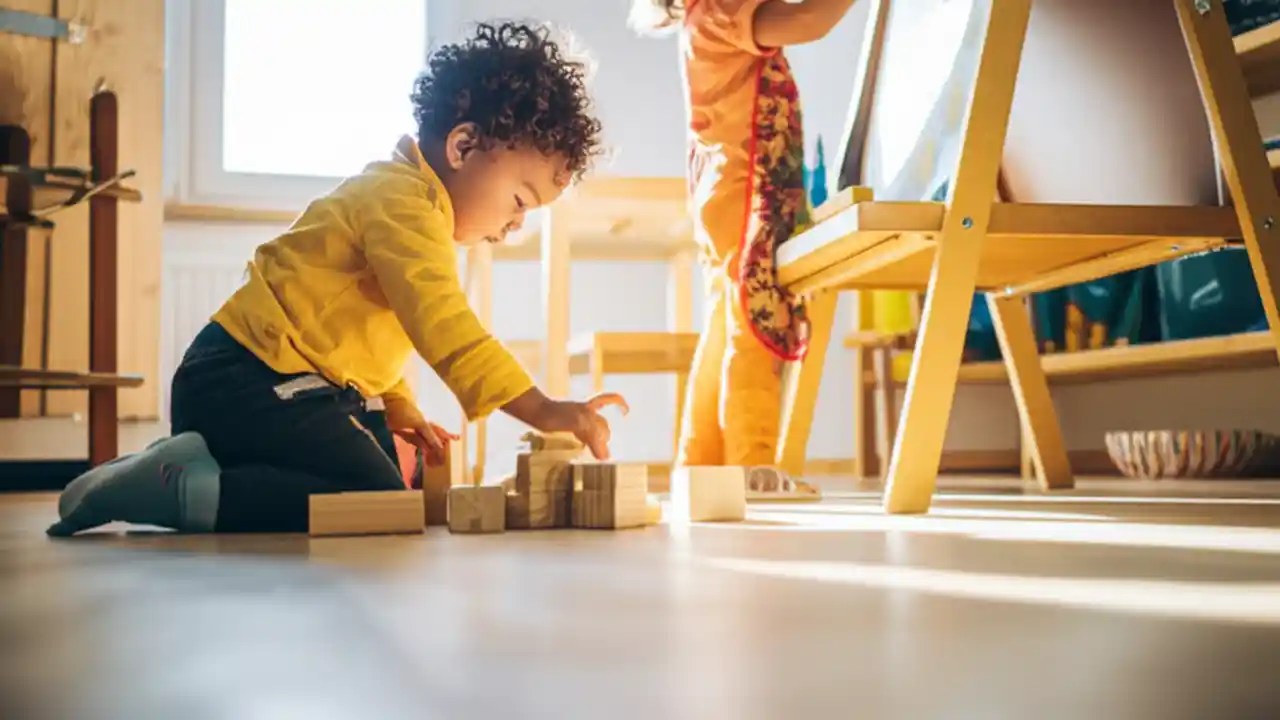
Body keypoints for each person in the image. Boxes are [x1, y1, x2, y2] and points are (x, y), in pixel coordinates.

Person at [48, 21, 626, 536]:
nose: (516, 224)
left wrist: (397, 405)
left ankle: (178, 465)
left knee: (392, 470)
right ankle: (185, 490)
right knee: (372, 496)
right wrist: (546, 408)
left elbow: (370, 332)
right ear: (464, 145)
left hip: (273, 386)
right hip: (243, 383)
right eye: (519, 201)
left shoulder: (411, 207)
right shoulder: (403, 205)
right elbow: (445, 329)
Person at [630, 0, 855, 492]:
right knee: (750, 325)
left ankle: (701, 466)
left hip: (724, 193)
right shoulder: (719, 11)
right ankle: (750, 465)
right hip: (741, 193)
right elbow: (808, 20)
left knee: (726, 322)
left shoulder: (703, 17)